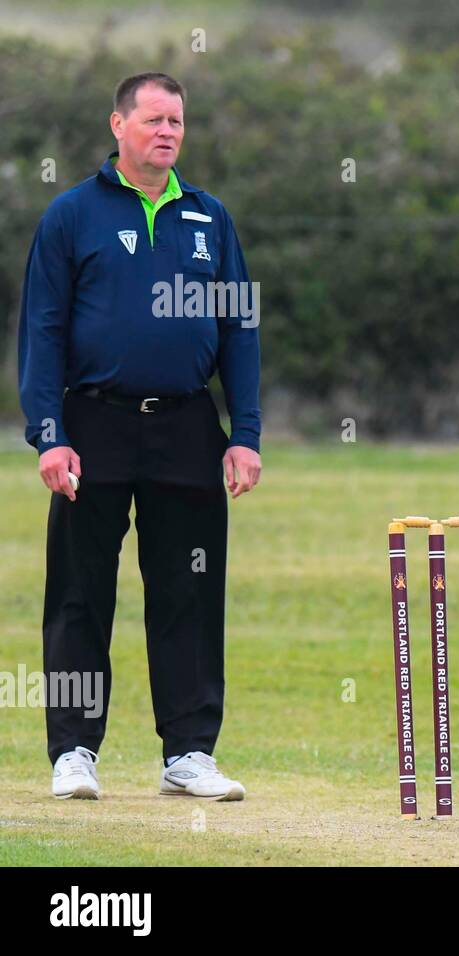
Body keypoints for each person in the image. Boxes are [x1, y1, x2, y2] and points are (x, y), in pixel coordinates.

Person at [18, 72, 260, 801]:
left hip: (187, 426)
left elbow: (239, 332)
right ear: (117, 125)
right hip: (94, 424)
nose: (167, 132)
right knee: (81, 594)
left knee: (187, 590)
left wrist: (243, 433)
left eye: (177, 121)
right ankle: (74, 752)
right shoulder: (72, 215)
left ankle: (188, 754)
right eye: (153, 119)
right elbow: (42, 329)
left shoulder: (209, 218)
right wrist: (49, 434)